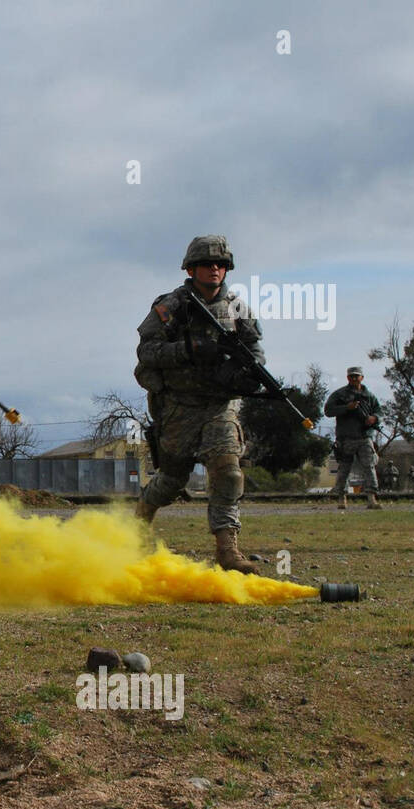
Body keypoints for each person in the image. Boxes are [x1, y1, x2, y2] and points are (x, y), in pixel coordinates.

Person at [133, 235, 264, 573]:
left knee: (228, 471)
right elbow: (146, 352)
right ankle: (142, 514)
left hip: (220, 405)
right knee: (174, 478)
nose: (215, 269)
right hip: (179, 406)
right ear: (191, 268)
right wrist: (187, 351)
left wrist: (249, 375)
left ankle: (227, 549)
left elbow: (254, 350)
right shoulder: (171, 306)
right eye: (207, 264)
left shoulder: (237, 307)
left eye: (221, 264)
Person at [324, 366, 382, 509]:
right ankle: (341, 498)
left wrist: (374, 418)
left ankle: (371, 498)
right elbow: (328, 410)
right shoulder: (340, 395)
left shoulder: (369, 396)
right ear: (347, 377)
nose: (354, 379)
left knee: (369, 467)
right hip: (346, 438)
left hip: (364, 436)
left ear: (362, 377)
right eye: (351, 376)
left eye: (357, 376)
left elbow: (379, 411)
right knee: (344, 469)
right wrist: (346, 408)